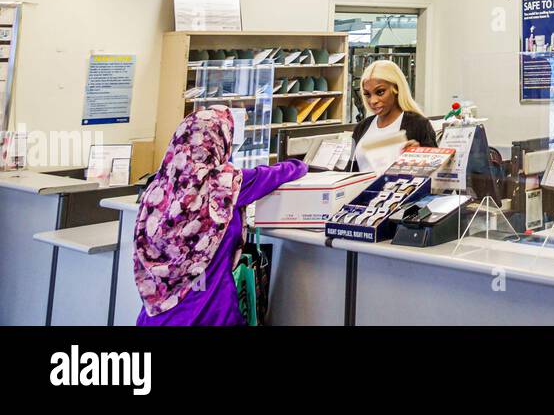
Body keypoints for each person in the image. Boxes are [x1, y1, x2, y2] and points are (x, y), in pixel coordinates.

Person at [134, 107, 307, 325]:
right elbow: (288, 170)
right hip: (209, 311)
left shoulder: (157, 189)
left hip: (158, 315)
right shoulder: (222, 184)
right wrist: (301, 162)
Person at [350, 59, 437, 172]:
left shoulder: (418, 124)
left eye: (380, 92)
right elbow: (350, 172)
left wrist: (420, 155)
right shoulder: (361, 127)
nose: (373, 101)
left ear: (396, 89)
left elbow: (435, 173)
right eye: (367, 94)